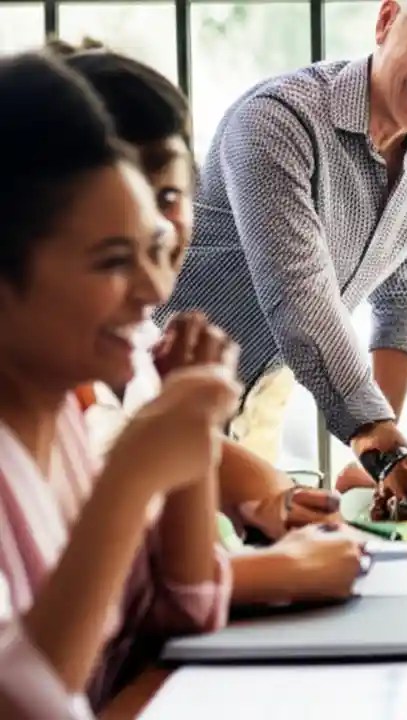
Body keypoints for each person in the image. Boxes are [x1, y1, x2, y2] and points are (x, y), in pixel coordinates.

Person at [158, 0, 407, 510]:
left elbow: (406, 304)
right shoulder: (277, 120)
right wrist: (384, 449)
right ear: (387, 20)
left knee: (256, 563)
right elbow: (301, 301)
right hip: (160, 388)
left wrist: (378, 453)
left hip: (258, 403)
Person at [58, 45, 365, 606]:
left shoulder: (139, 340)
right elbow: (156, 598)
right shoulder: (47, 388)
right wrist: (281, 573)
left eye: (169, 197)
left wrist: (278, 500)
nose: (153, 236)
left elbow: (187, 577)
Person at [0, 52, 234, 716]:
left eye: (153, 250)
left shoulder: (62, 417)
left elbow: (176, 609)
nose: (155, 290)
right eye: (112, 261)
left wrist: (186, 437)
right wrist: (130, 474)